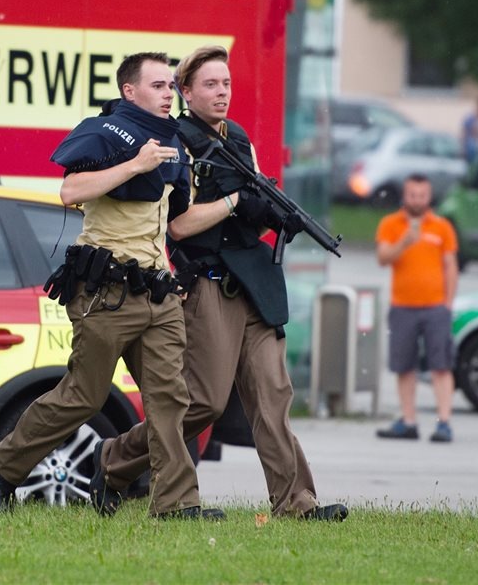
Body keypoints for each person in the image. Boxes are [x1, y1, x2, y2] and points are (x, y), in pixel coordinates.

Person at [91, 46, 348, 522]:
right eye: (210, 84)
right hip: (208, 284)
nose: (222, 92)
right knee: (203, 401)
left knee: (273, 398)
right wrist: (234, 203)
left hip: (255, 284)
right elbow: (179, 225)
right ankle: (113, 460)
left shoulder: (240, 139)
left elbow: (252, 206)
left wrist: (273, 216)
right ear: (186, 93)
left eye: (226, 83)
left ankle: (297, 503)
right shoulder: (176, 142)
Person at [0, 53, 212, 520]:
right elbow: (70, 191)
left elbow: (174, 222)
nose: (168, 94)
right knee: (83, 396)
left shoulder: (175, 143)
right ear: (130, 90)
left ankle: (176, 504)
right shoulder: (103, 131)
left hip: (158, 292)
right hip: (107, 292)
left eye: (170, 86)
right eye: (158, 86)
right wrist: (134, 165)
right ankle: (1, 465)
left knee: (170, 399)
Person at [374, 174, 459, 442]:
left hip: (435, 306)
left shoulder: (442, 227)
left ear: (429, 197)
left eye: (422, 195)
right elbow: (382, 258)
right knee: (404, 365)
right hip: (402, 306)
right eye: (412, 195)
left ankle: (444, 422)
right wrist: (405, 242)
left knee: (440, 365)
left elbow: (450, 265)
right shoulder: (391, 224)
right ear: (405, 195)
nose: (417, 200)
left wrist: (448, 302)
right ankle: (408, 420)